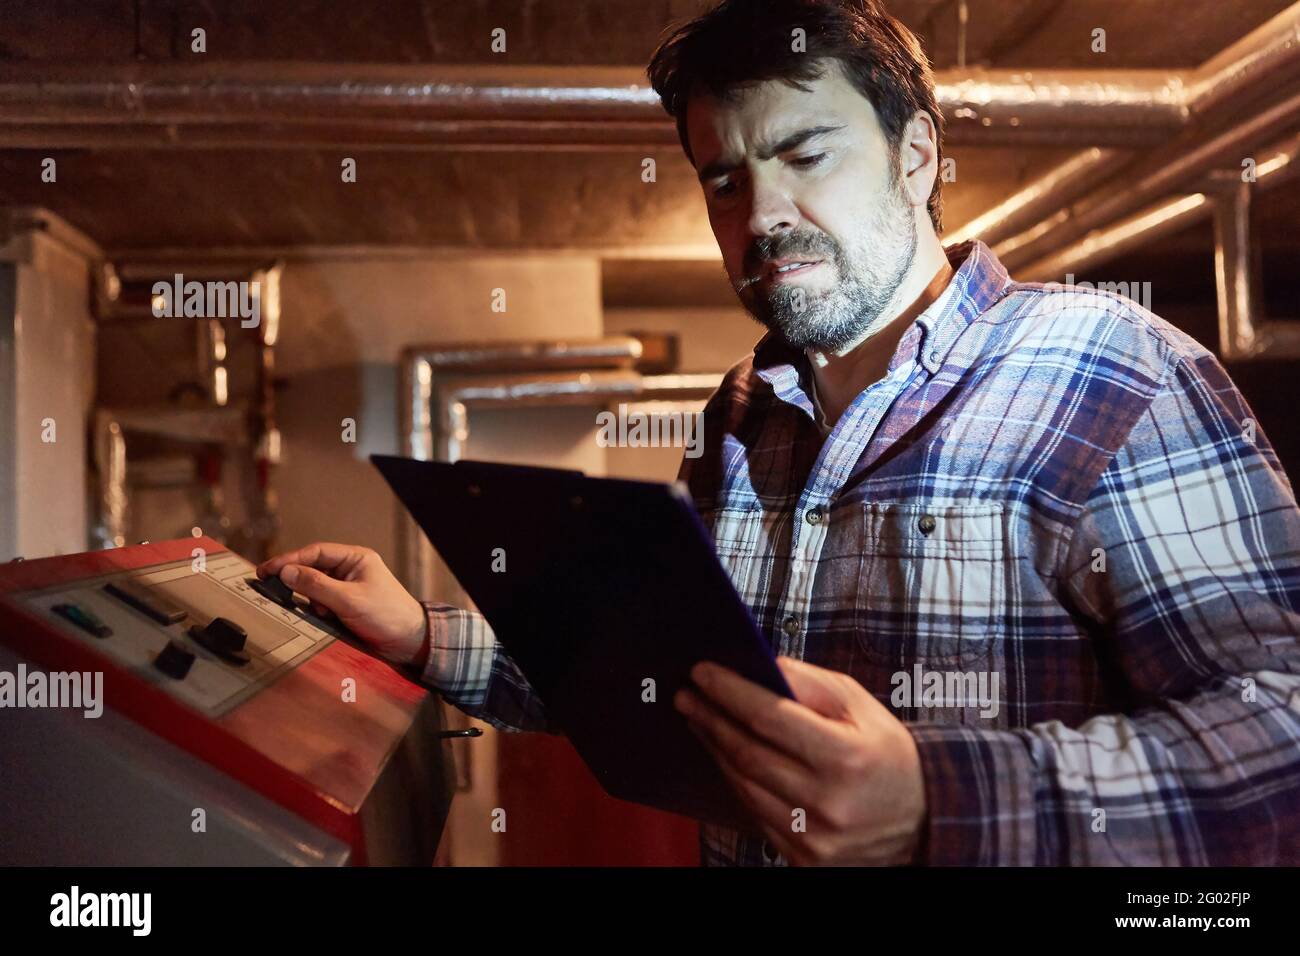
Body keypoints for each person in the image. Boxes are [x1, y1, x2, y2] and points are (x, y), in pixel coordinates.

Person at [259, 0, 1300, 866]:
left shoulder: (1115, 370)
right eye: (724, 179)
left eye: (806, 153)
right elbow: (671, 680)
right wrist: (423, 634)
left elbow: (1281, 735)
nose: (761, 214)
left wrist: (940, 800)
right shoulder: (739, 419)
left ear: (916, 154)